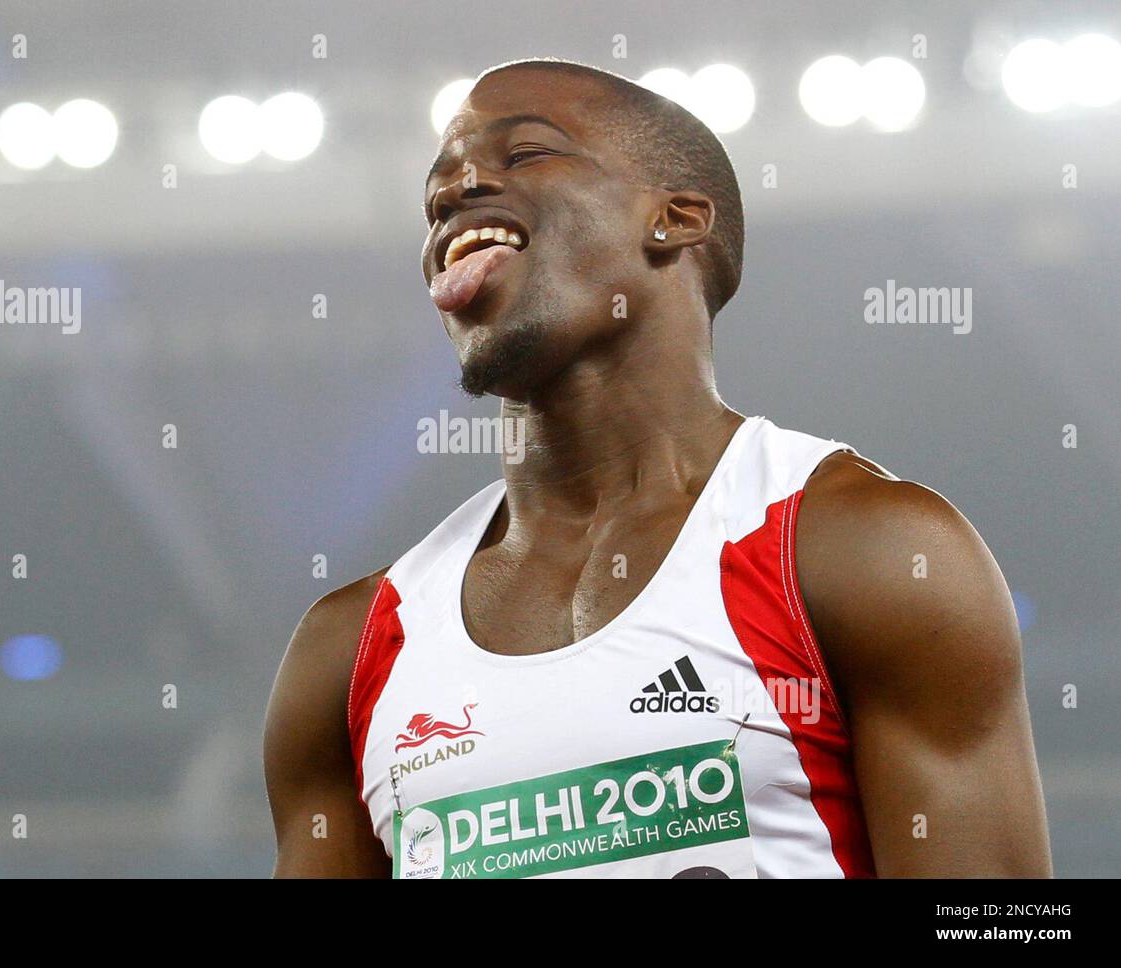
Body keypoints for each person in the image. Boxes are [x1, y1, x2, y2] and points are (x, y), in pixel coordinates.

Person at [264, 58, 1052, 878]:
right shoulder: (350, 650)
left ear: (673, 219)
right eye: (436, 194)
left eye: (525, 154)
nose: (456, 192)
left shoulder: (865, 552)